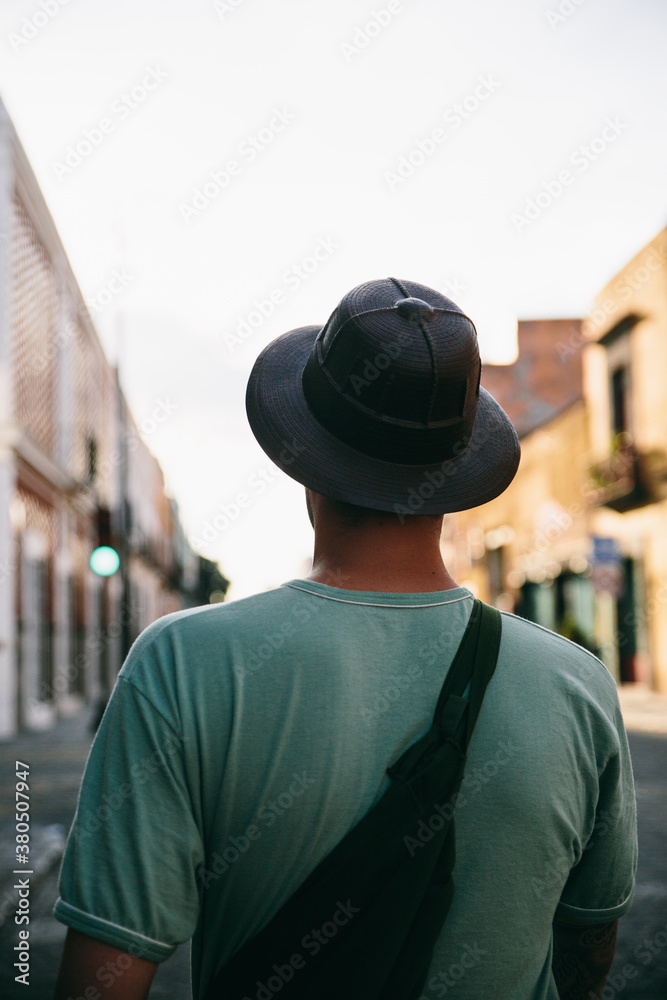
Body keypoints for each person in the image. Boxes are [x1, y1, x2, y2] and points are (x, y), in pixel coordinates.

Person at [53, 278, 637, 1000]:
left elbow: (105, 973)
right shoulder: (576, 683)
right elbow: (589, 943)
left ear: (304, 460)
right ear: (454, 467)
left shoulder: (182, 663)